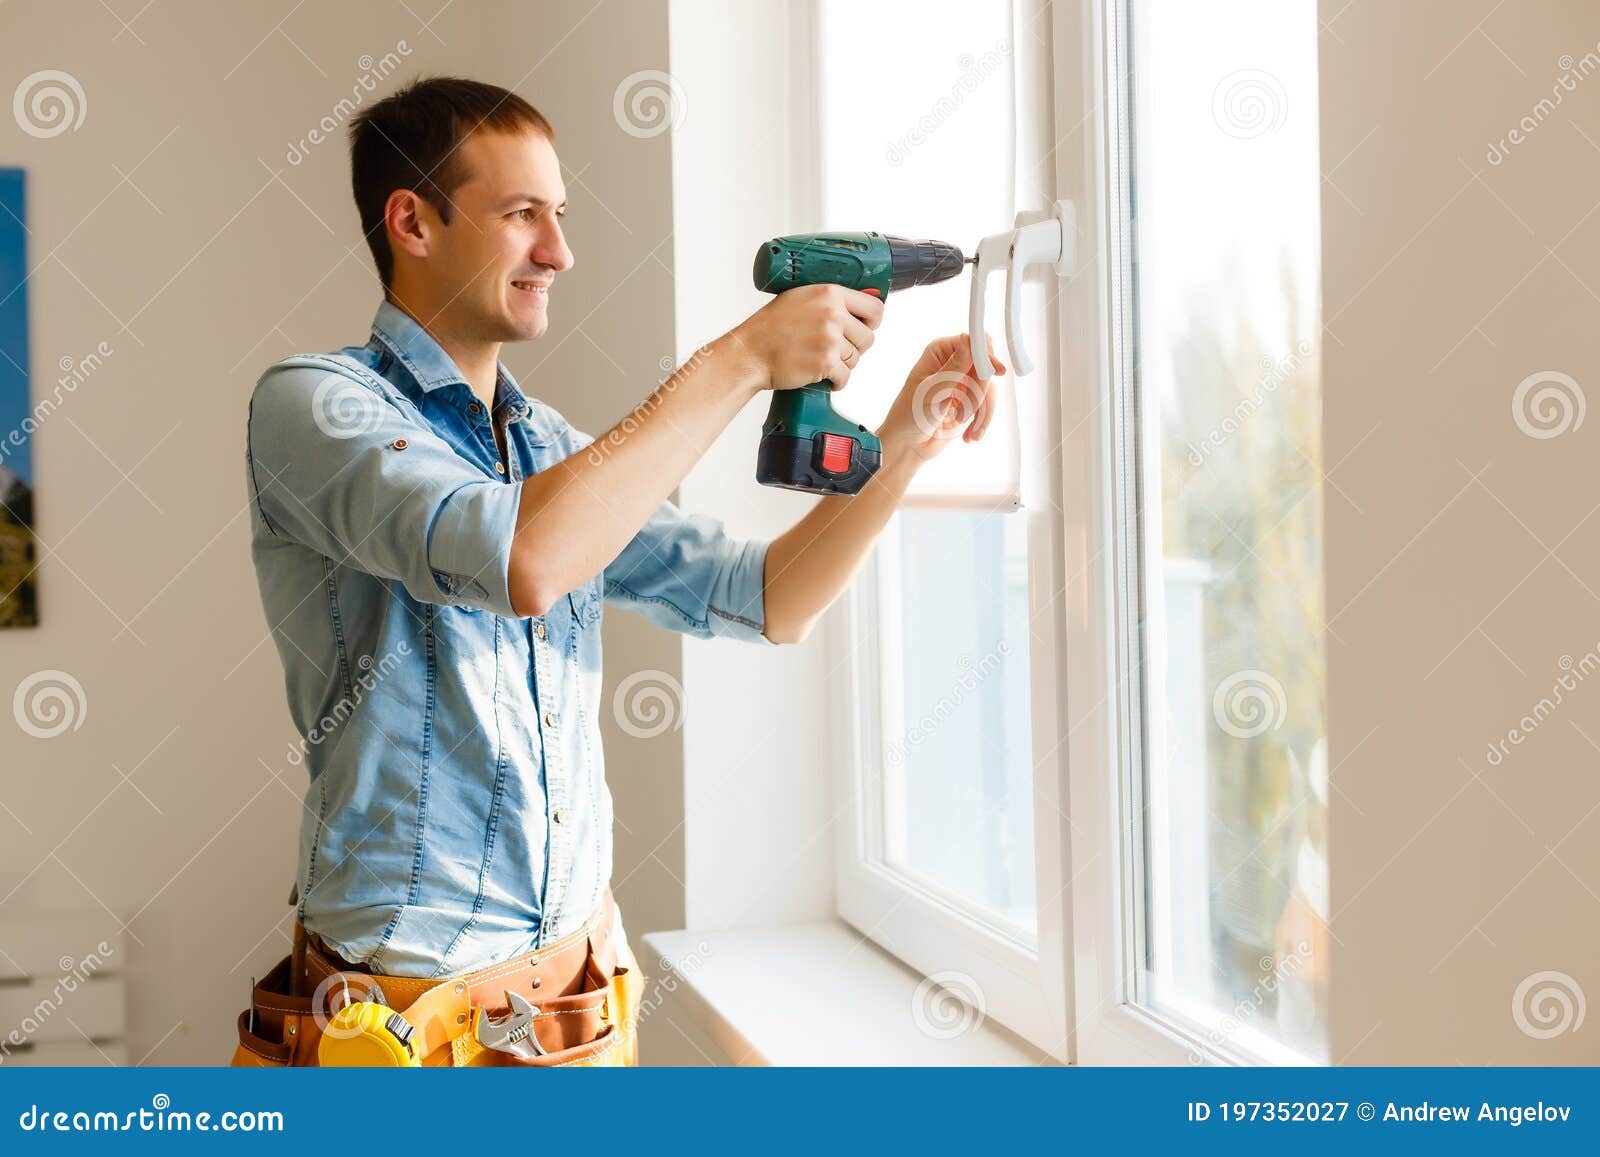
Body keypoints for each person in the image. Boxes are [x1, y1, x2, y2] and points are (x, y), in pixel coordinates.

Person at [236, 75, 1005, 1068]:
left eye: (558, 215)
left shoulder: (546, 446)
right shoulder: (313, 406)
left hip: (574, 1006)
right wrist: (739, 360)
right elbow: (522, 558)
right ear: (412, 222)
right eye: (522, 216)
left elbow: (766, 598)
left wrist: (903, 437)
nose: (559, 251)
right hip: (406, 1028)